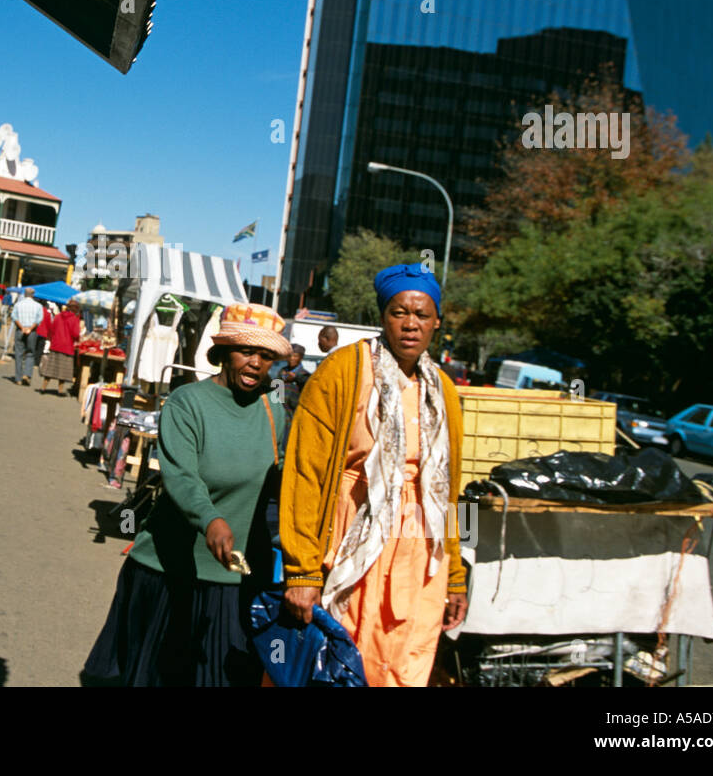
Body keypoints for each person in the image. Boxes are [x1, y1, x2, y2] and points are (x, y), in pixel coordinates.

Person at [279, 263, 467, 687]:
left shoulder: (444, 390)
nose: (411, 324)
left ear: (437, 322)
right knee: (340, 659)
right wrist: (302, 571)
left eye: (422, 315)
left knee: (405, 663)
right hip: (352, 542)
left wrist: (455, 574)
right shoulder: (343, 370)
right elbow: (305, 473)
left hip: (422, 555)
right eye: (400, 312)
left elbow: (451, 489)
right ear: (383, 316)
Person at [84, 303, 290, 686]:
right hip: (170, 570)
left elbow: (280, 485)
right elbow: (181, 476)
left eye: (266, 356)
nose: (256, 364)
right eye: (246, 351)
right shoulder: (187, 403)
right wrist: (209, 519)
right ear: (223, 352)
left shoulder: (273, 410)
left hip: (237, 580)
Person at [36, 297, 82, 395]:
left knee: (50, 368)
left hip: (55, 345)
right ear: (76, 309)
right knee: (63, 370)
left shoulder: (58, 316)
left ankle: (43, 387)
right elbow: (75, 334)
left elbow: (52, 330)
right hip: (67, 347)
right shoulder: (74, 319)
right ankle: (60, 390)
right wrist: (78, 338)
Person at [11, 287, 43, 385]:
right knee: (30, 353)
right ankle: (27, 374)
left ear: (25, 294)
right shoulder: (38, 306)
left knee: (19, 353)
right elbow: (38, 320)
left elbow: (14, 317)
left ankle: (18, 378)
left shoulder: (18, 305)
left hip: (20, 331)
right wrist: (29, 328)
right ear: (33, 295)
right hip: (32, 332)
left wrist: (22, 327)